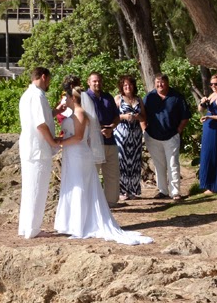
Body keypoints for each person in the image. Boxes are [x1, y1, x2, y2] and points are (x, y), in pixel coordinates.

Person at [53, 76, 153, 245]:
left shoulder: (80, 114)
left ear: (72, 98)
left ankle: (80, 223)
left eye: (67, 97)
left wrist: (59, 141)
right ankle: (71, 222)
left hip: (78, 153)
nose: (65, 100)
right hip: (72, 154)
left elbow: (78, 137)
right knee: (72, 185)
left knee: (80, 186)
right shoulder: (75, 112)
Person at [17, 66, 65, 238]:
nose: (49, 83)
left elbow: (40, 117)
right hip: (37, 148)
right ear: (44, 77)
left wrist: (55, 111)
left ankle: (25, 227)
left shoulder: (27, 95)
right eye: (49, 80)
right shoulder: (37, 95)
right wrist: (53, 142)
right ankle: (33, 229)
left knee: (29, 188)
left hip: (30, 147)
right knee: (37, 188)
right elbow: (40, 124)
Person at [143, 73, 191, 200]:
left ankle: (175, 192)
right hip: (153, 136)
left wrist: (179, 130)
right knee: (159, 165)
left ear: (167, 83)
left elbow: (185, 116)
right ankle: (163, 191)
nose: (160, 85)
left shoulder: (177, 97)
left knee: (173, 163)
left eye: (162, 82)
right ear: (154, 84)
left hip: (171, 136)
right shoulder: (149, 97)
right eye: (158, 82)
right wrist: (144, 130)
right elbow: (142, 115)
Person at [83, 72, 121, 205]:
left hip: (110, 139)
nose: (97, 83)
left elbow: (117, 116)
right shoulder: (84, 98)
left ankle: (111, 202)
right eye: (94, 81)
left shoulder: (108, 97)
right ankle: (92, 203)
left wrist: (111, 128)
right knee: (93, 174)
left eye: (99, 81)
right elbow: (83, 119)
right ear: (88, 82)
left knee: (112, 174)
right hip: (93, 141)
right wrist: (98, 130)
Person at [113, 74, 148, 197]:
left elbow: (144, 117)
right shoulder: (118, 98)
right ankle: (122, 191)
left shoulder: (138, 99)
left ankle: (133, 190)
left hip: (136, 135)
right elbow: (113, 116)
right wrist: (123, 116)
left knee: (134, 162)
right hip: (121, 134)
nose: (128, 87)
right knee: (122, 162)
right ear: (122, 87)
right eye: (125, 85)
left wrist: (138, 117)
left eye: (130, 84)